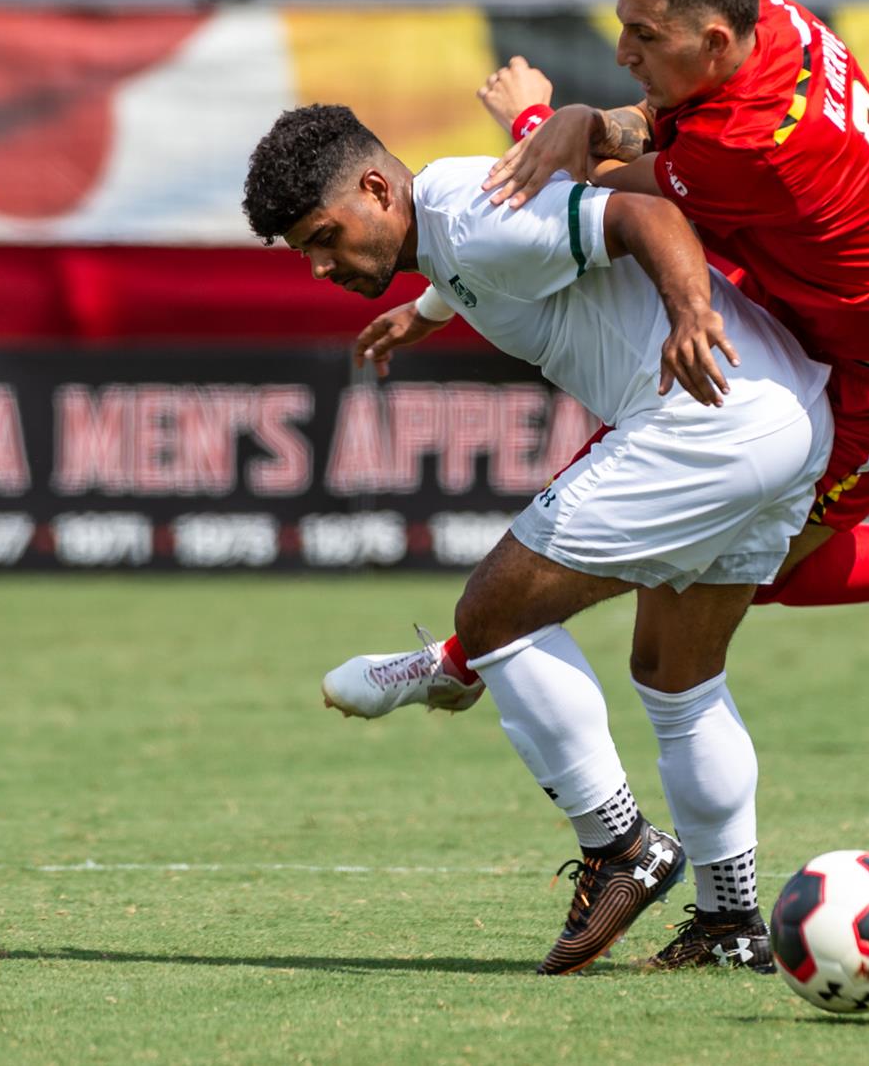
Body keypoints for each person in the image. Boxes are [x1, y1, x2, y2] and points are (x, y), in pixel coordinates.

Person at [321, 0, 869, 719]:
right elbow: (648, 126)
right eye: (623, 25)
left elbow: (607, 195)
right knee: (660, 442)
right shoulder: (778, 21)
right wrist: (446, 285)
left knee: (748, 566)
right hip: (806, 312)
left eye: (644, 36)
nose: (624, 51)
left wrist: (536, 122)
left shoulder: (756, 148)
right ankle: (464, 655)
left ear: (716, 38)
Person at [246, 103, 835, 974]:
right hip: (788, 422)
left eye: (323, 235)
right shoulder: (454, 230)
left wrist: (689, 311)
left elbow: (644, 214)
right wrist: (431, 311)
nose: (321, 263)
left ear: (377, 188)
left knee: (492, 618)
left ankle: (621, 846)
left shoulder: (469, 216)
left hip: (703, 419)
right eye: (304, 251)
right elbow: (499, 261)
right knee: (679, 681)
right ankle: (732, 919)